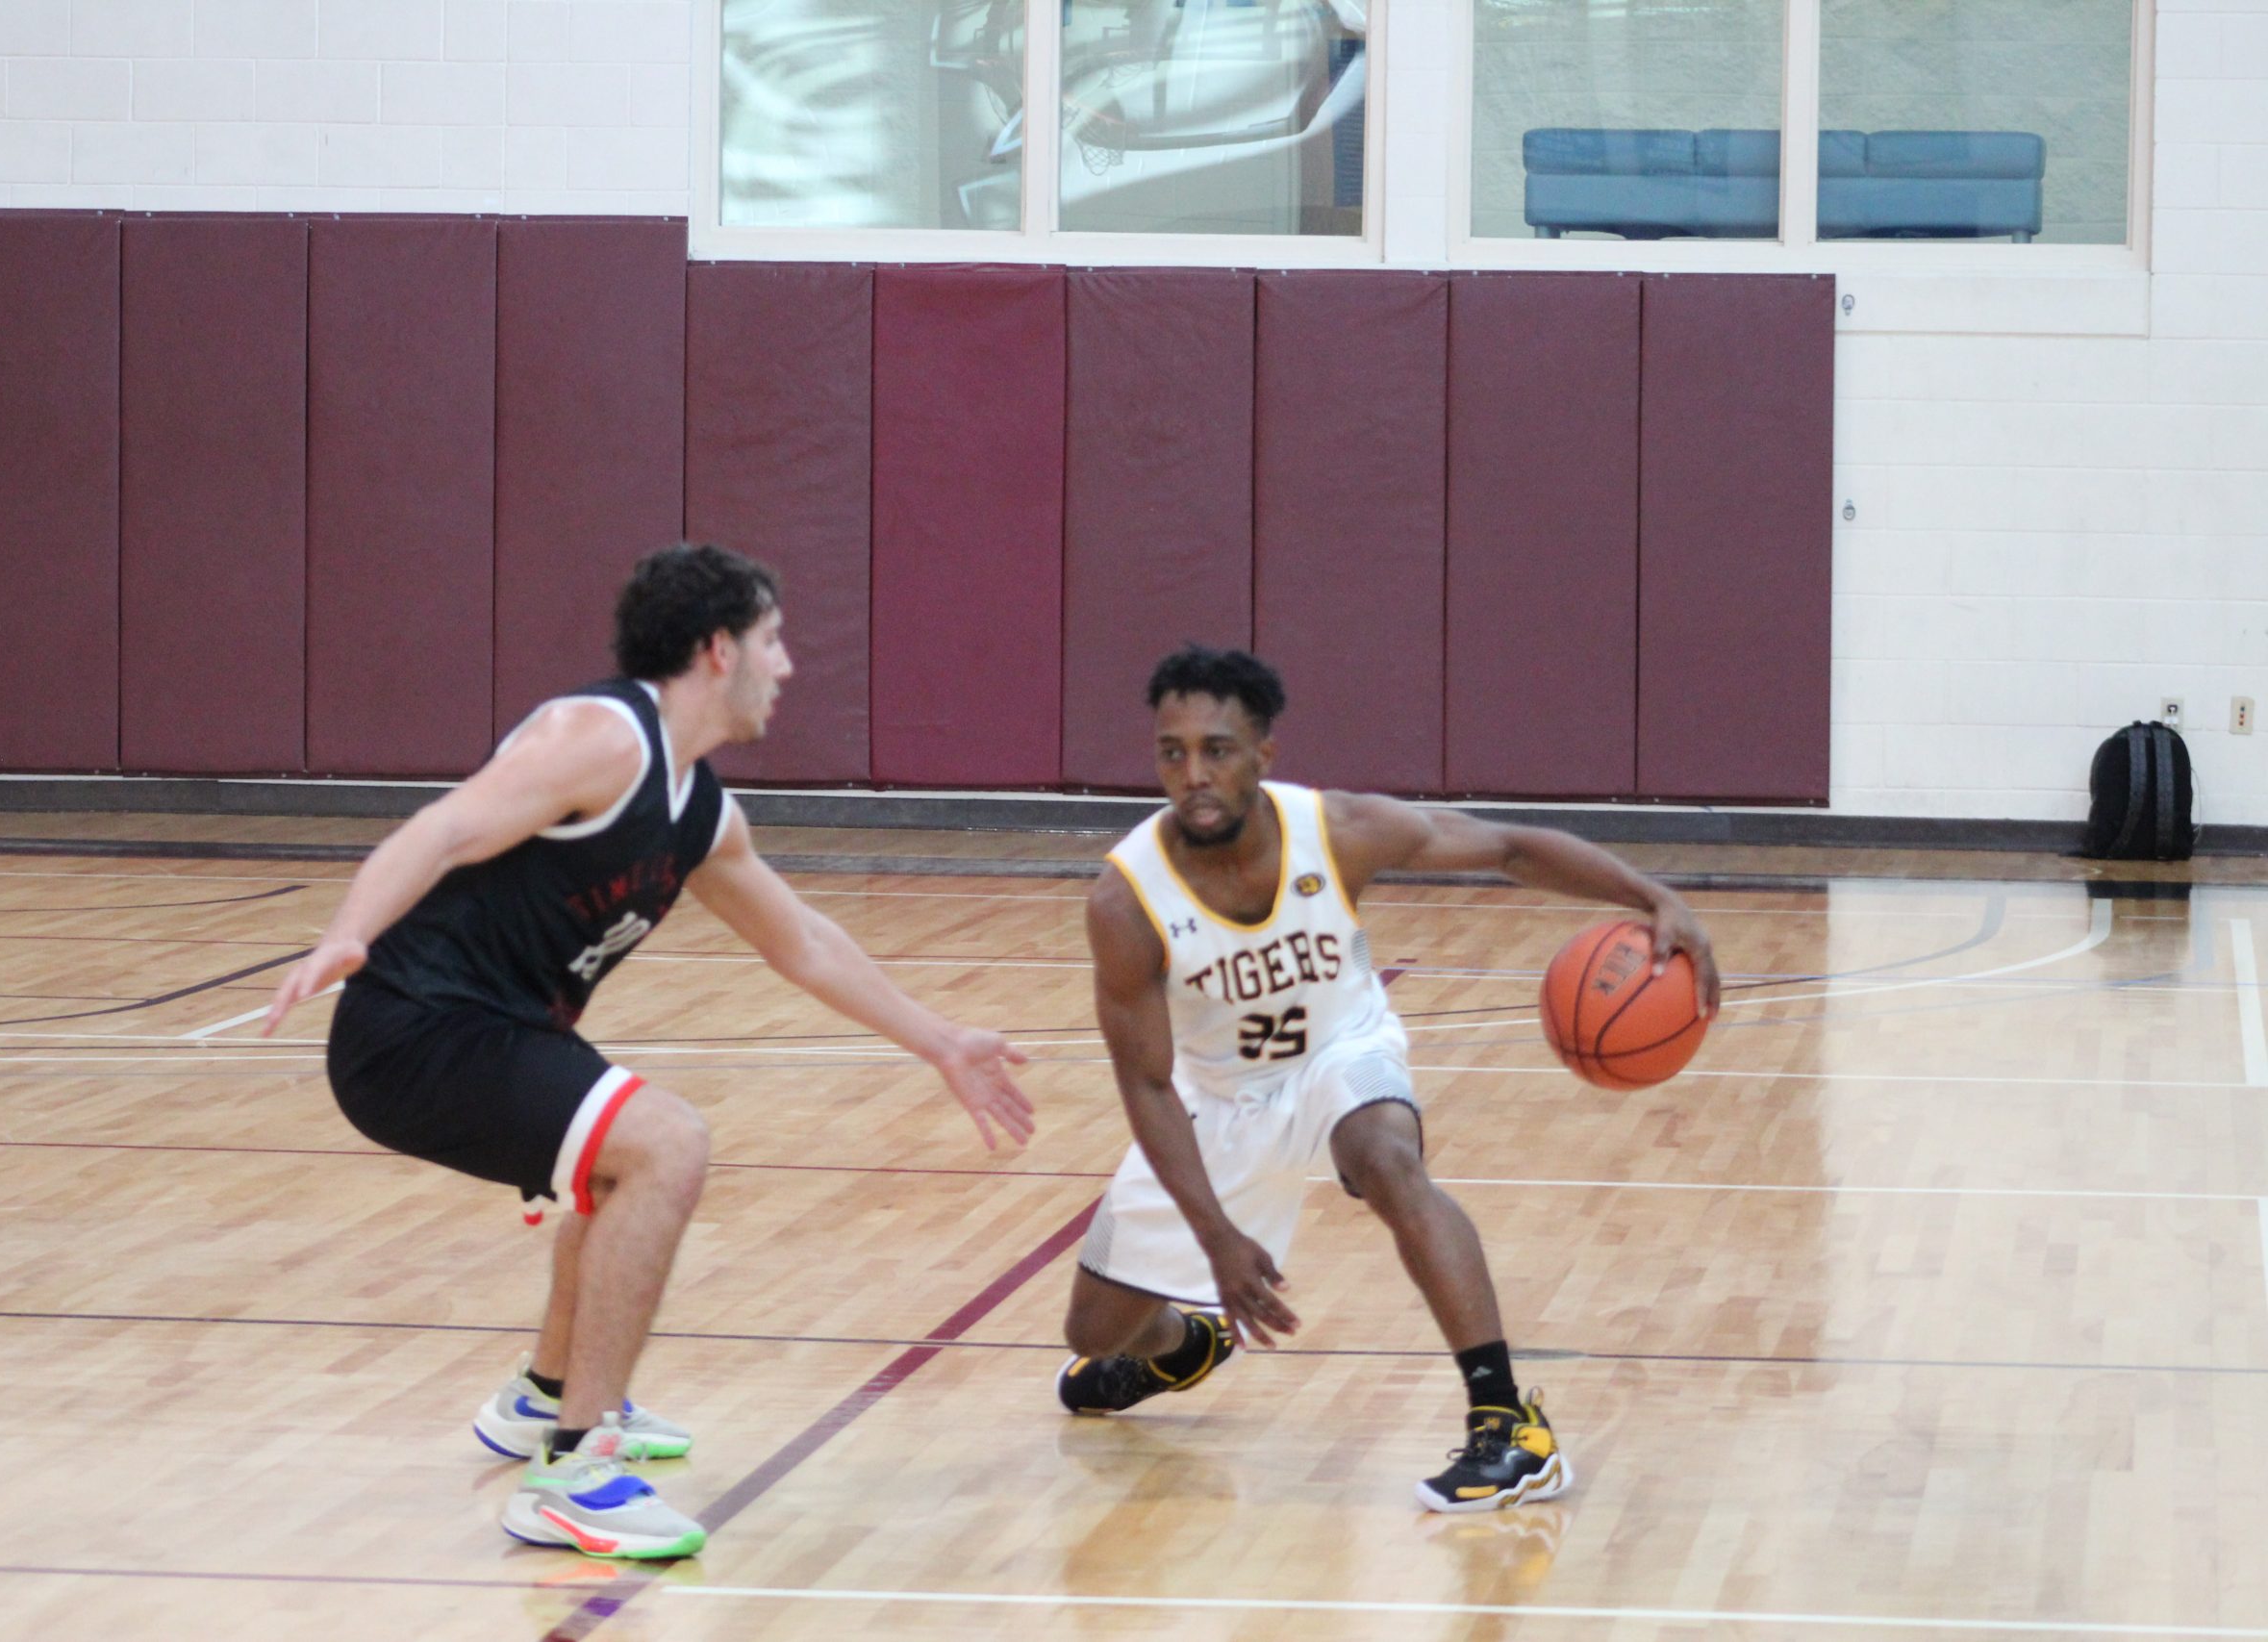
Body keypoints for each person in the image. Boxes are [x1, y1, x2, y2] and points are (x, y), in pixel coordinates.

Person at [262, 543, 1034, 1560]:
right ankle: (574, 1478)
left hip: (499, 1029)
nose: (788, 664)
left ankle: (544, 1401)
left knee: (618, 1162)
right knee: (665, 1145)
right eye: (773, 640)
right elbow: (443, 830)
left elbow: (798, 940)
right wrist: (347, 931)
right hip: (415, 1028)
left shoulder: (700, 807)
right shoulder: (598, 736)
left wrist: (938, 1040)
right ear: (718, 650)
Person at [1056, 645, 1717, 1512]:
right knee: (1094, 1335)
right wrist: (1217, 1237)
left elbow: (1510, 847)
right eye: (1171, 752)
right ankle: (1188, 1345)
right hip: (1216, 1099)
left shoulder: (1338, 830)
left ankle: (1508, 1427)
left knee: (1388, 1160)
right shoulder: (1127, 901)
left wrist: (1652, 896)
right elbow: (1147, 1086)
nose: (1193, 774)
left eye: (1217, 749)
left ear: (1265, 754)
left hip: (1341, 1049)